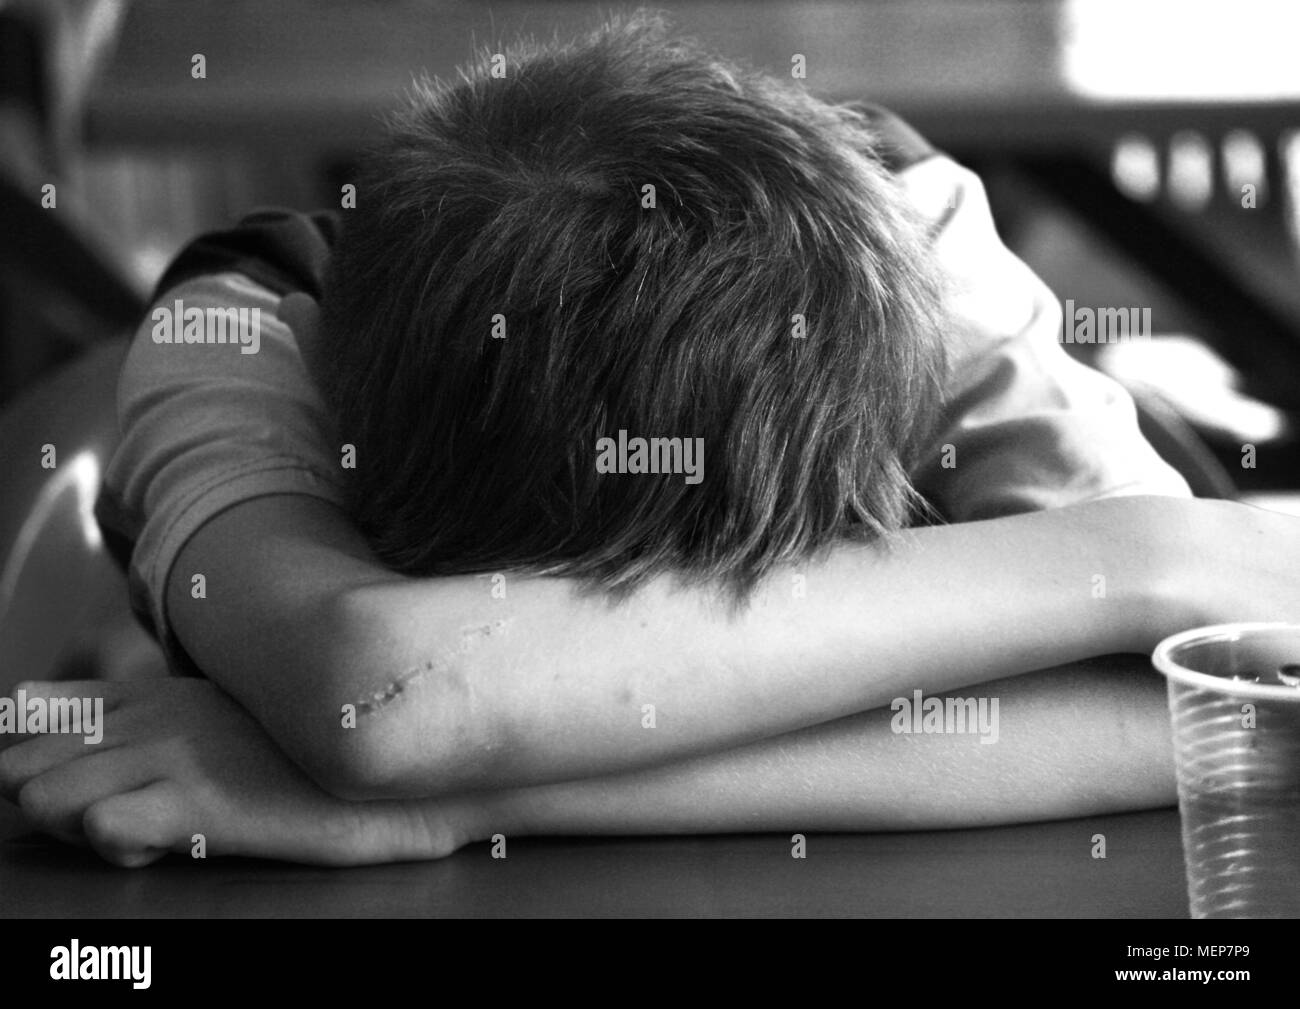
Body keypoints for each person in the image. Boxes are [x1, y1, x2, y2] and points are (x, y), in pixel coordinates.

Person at [3, 14, 1298, 868]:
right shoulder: (246, 328)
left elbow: (1221, 717)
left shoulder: (908, 245)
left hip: (1148, 423)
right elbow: (383, 692)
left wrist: (480, 787)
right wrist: (1135, 562)